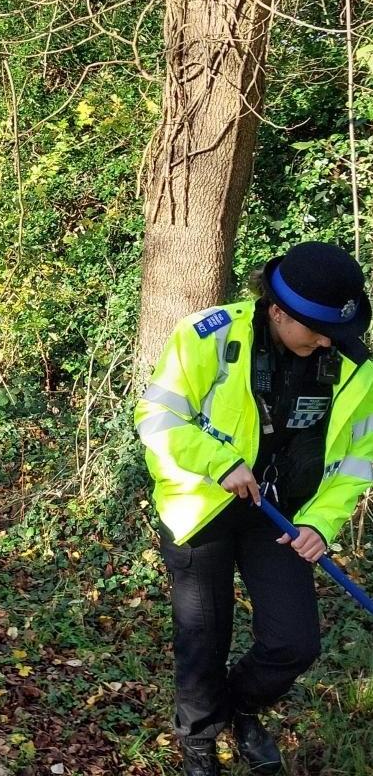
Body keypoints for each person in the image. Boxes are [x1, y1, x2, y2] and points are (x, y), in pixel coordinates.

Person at [137, 241, 373, 776]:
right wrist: (219, 462)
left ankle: (240, 708)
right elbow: (155, 415)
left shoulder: (354, 368)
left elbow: (357, 463)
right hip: (203, 508)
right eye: (314, 329)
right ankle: (197, 735)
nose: (325, 341)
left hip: (284, 518)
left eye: (334, 331)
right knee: (203, 635)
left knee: (295, 643)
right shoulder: (211, 334)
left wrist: (321, 522)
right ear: (276, 311)